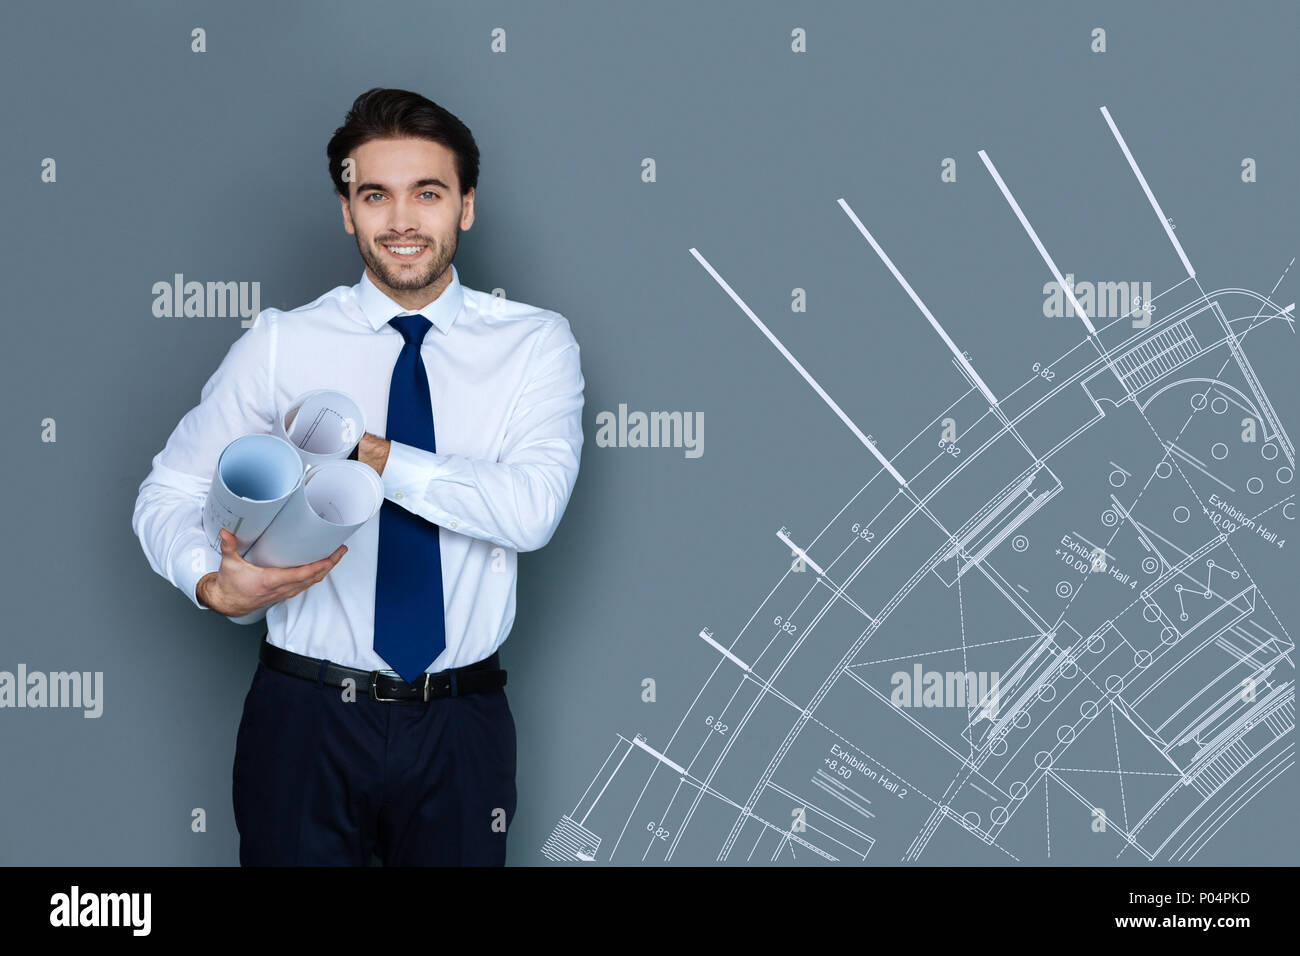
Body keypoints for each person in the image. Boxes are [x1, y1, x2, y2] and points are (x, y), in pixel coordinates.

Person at [131, 88, 585, 866]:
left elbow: (531, 512)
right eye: (375, 194)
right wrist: (210, 583)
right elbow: (167, 492)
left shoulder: (536, 345)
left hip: (460, 723)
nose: (402, 222)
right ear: (348, 210)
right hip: (304, 717)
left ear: (467, 207)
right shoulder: (282, 344)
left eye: (428, 194)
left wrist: (373, 456)